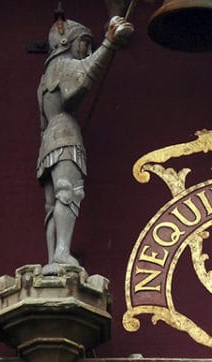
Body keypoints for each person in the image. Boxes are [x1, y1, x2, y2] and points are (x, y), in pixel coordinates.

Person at [37, 14, 132, 273]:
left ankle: (54, 257)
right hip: (65, 134)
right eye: (84, 43)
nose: (86, 49)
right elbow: (79, 81)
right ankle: (61, 253)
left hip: (48, 139)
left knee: (54, 200)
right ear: (66, 41)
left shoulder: (46, 75)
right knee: (69, 192)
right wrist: (108, 44)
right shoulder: (63, 66)